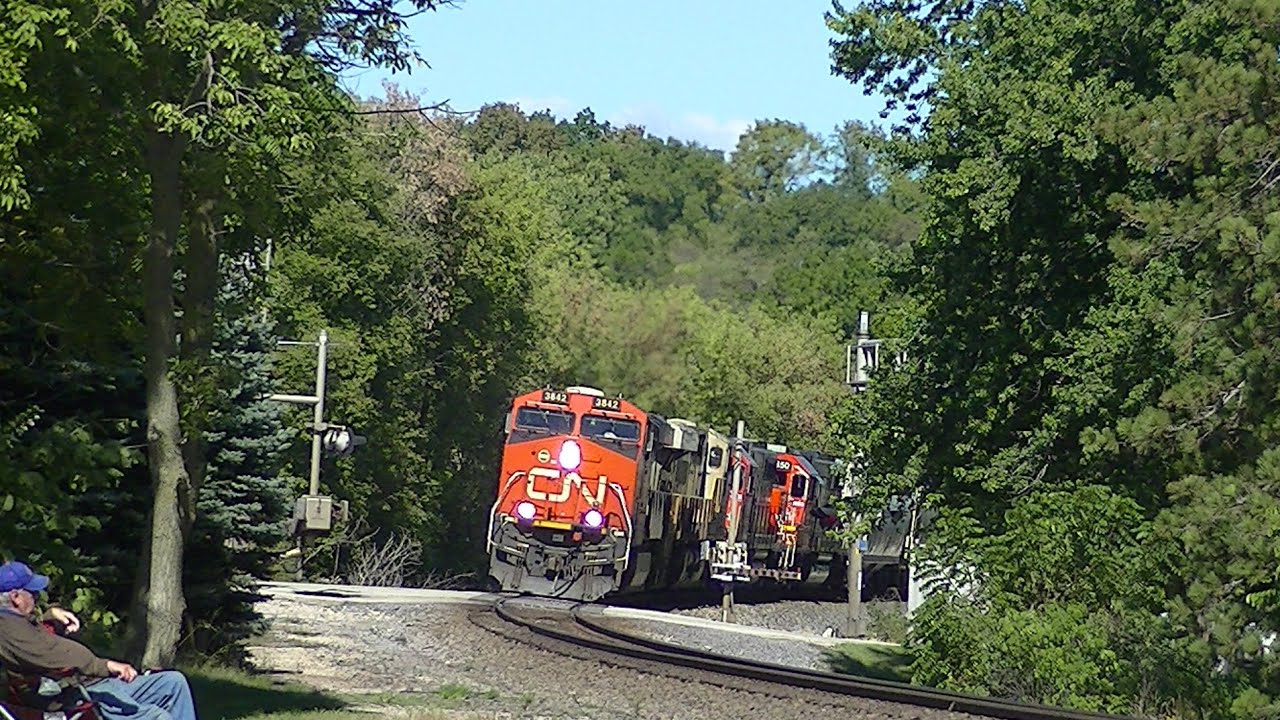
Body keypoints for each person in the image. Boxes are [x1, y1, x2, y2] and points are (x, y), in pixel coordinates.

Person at [0, 560, 198, 720]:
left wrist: (51, 616)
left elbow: (39, 639)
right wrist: (106, 665)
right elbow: (53, 655)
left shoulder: (17, 622)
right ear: (16, 596)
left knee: (173, 682)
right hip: (79, 695)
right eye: (32, 593)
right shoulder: (8, 629)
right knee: (158, 717)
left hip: (94, 684)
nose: (36, 597)